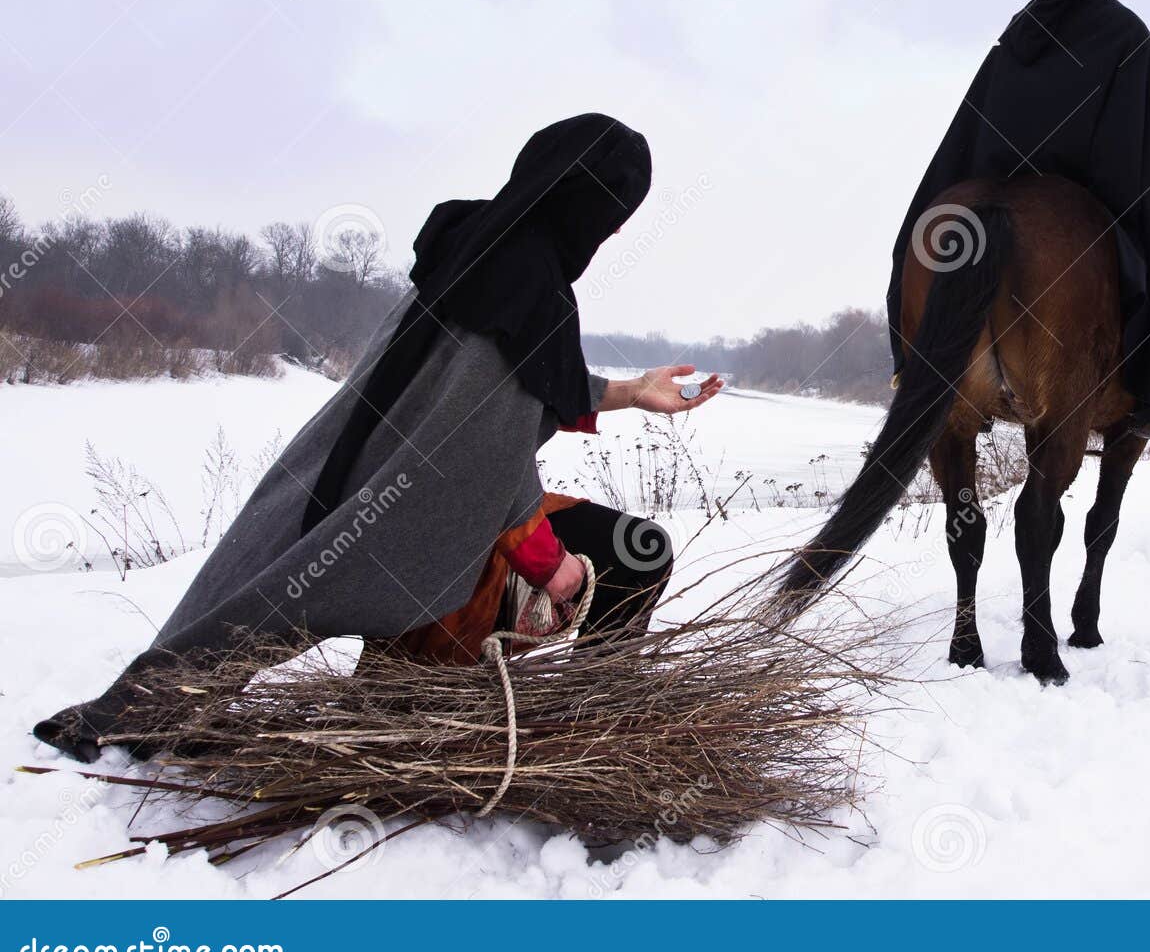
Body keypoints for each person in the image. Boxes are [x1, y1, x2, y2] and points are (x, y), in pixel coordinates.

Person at [34, 114, 723, 763]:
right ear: (599, 211)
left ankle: (387, 693)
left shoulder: (472, 251)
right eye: (615, 218)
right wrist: (555, 571)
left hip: (376, 501)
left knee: (264, 590)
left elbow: (515, 386)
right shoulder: (535, 290)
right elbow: (490, 466)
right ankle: (583, 731)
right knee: (640, 554)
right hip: (430, 541)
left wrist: (631, 392)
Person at [886, 0, 1150, 445]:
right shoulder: (1127, 33)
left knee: (915, 238)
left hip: (996, 178)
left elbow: (974, 123)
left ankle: (909, 367)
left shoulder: (1019, 30)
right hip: (1088, 199)